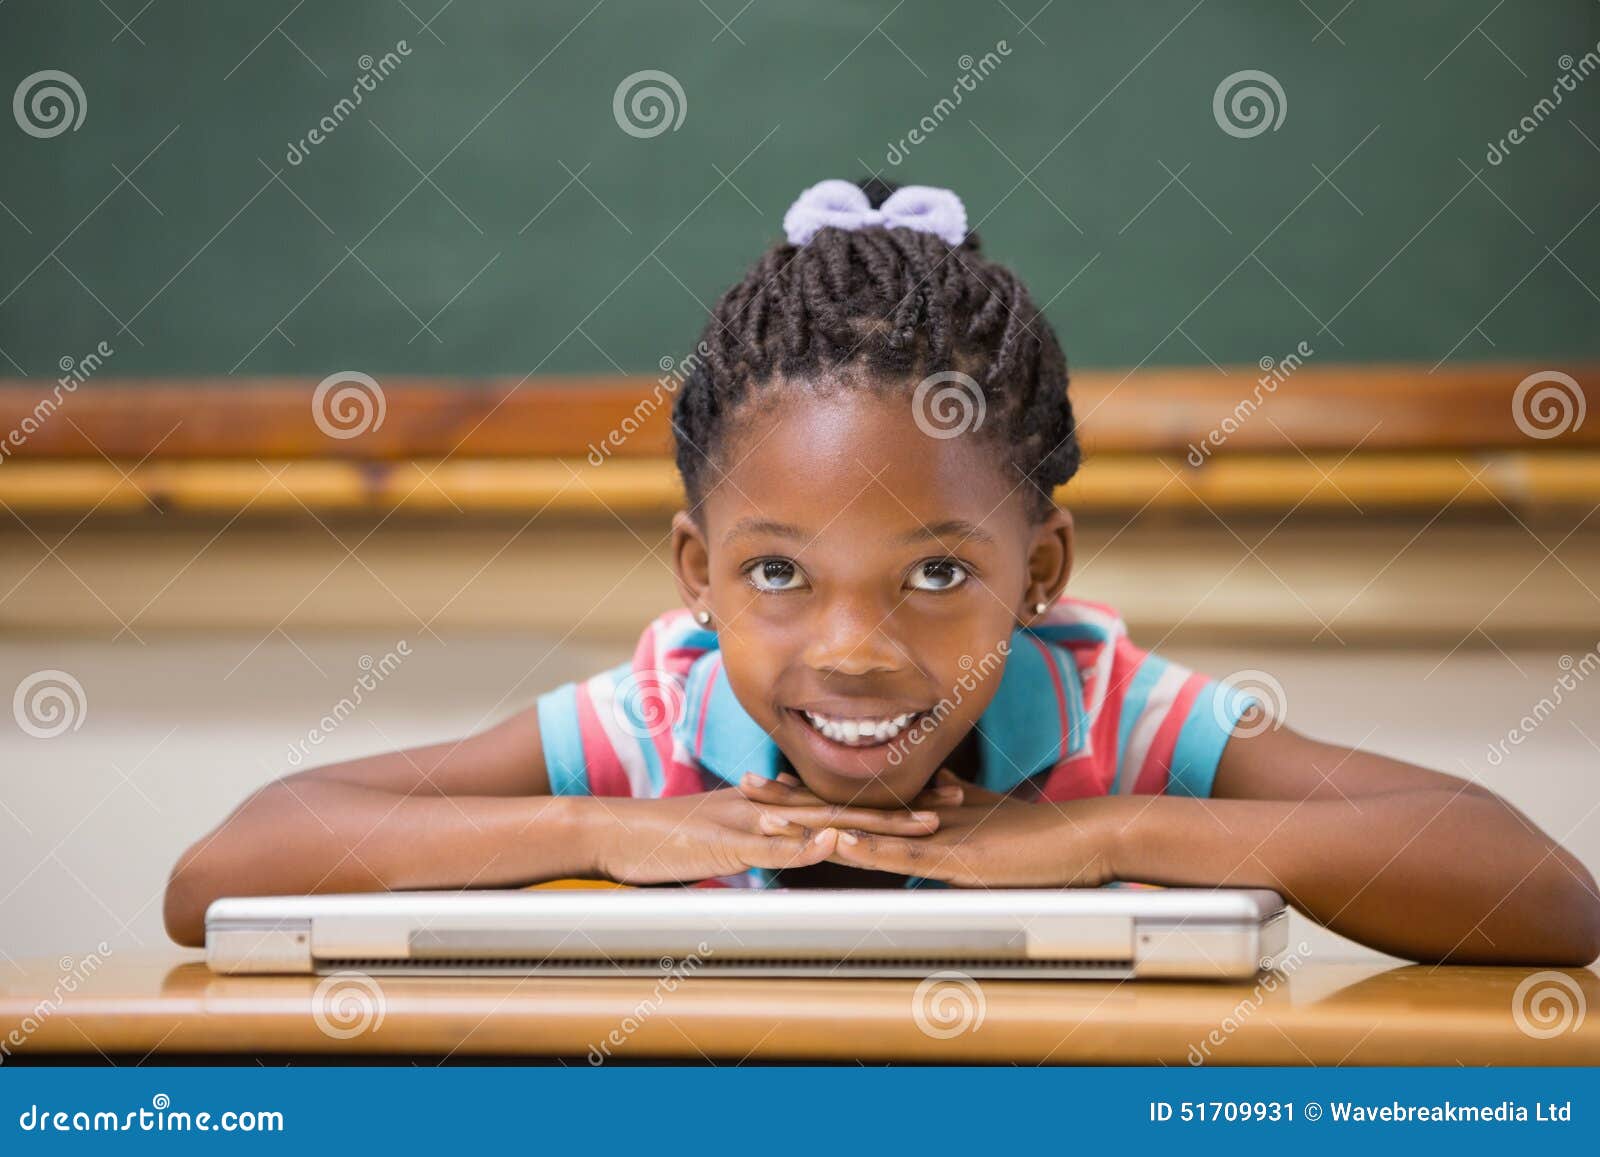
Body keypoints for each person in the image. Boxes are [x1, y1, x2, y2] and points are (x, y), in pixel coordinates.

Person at [163, 178, 1600, 965]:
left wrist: (1109, 832)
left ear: (1040, 573)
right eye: (779, 572)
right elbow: (227, 868)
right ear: (698, 575)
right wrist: (597, 829)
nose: (852, 648)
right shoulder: (655, 729)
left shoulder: (1110, 716)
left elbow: (1542, 895)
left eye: (935, 577)